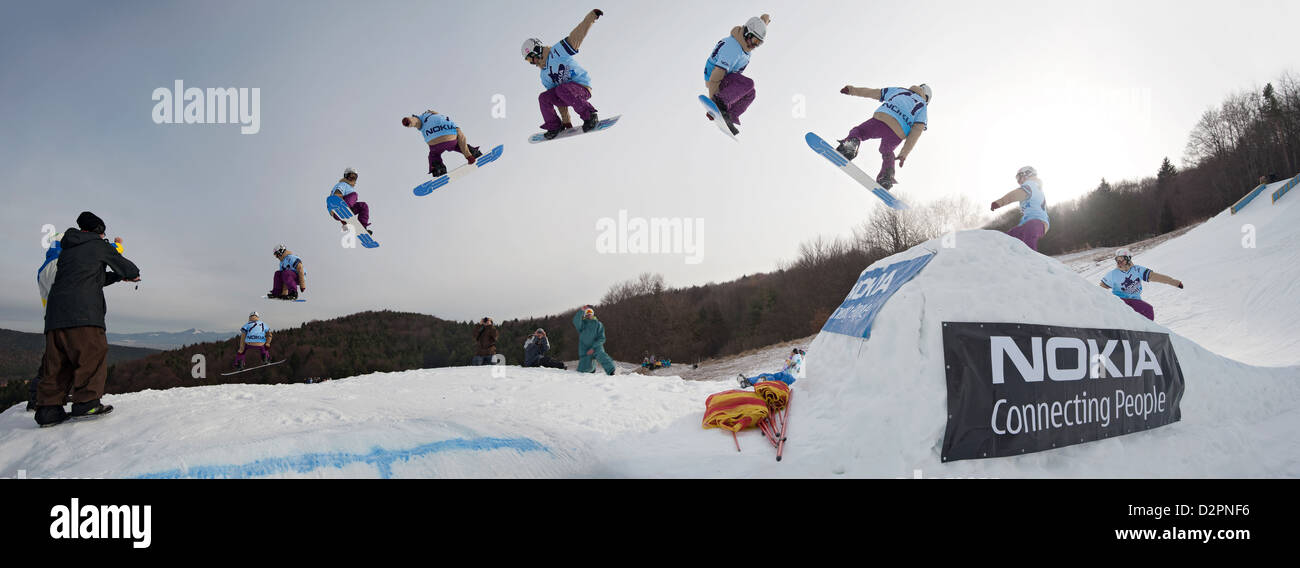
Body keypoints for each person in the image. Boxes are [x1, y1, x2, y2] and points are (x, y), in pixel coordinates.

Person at [34, 212, 140, 427]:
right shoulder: (98, 245)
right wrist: (128, 274)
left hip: (55, 315)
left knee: (57, 362)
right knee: (92, 354)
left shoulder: (68, 250)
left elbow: (92, 278)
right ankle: (86, 404)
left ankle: (48, 410)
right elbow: (130, 268)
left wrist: (117, 277)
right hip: (83, 314)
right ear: (99, 230)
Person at [522, 9, 604, 140]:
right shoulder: (544, 75)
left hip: (581, 87)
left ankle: (590, 114)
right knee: (544, 97)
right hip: (566, 94)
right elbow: (558, 98)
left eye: (530, 58)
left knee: (561, 89)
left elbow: (577, 35)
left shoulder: (557, 51)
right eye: (528, 61)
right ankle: (554, 125)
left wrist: (591, 17)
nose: (531, 63)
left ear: (536, 51)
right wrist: (566, 120)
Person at [835, 83, 932, 190]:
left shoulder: (899, 90)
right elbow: (916, 132)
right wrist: (904, 154)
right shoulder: (923, 107)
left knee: (860, 132)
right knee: (887, 150)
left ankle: (850, 146)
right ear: (926, 99)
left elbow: (874, 92)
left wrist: (852, 90)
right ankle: (887, 176)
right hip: (899, 131)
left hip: (883, 118)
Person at [703, 14, 770, 135]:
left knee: (751, 94)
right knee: (748, 84)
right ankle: (720, 103)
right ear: (746, 33)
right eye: (754, 40)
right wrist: (712, 103)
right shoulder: (733, 48)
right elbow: (716, 75)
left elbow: (757, 26)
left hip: (726, 78)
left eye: (758, 43)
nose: (755, 45)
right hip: (715, 78)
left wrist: (764, 22)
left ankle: (728, 117)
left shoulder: (744, 45)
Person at [1099, 248, 1184, 321]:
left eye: (1122, 259)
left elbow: (1156, 276)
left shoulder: (1137, 270)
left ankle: (1147, 331)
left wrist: (1175, 282)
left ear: (1128, 259)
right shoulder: (1113, 274)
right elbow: (1100, 288)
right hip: (1120, 301)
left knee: (1148, 309)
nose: (1119, 262)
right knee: (1125, 312)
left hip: (1135, 300)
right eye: (1117, 260)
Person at [401, 110, 483, 177]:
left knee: (434, 155)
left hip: (434, 141)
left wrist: (409, 121)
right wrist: (468, 156)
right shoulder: (445, 119)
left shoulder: (423, 117)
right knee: (460, 145)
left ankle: (438, 169)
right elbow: (461, 137)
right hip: (451, 138)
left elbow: (415, 121)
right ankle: (474, 153)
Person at [990, 166, 1050, 251]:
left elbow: (1014, 195)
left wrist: (999, 203)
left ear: (1027, 174)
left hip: (1038, 222)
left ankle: (1030, 258)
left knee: (1029, 231)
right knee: (1010, 236)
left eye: (1019, 177)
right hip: (1027, 224)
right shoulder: (1035, 186)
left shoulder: (1031, 185)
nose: (1019, 181)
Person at [573, 305, 615, 375]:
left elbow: (602, 338)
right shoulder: (582, 324)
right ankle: (591, 369)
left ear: (593, 314)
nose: (589, 315)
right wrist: (581, 310)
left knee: (602, 356)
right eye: (587, 313)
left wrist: (593, 348)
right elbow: (576, 321)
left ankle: (611, 371)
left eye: (590, 313)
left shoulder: (598, 324)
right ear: (585, 315)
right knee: (582, 370)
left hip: (596, 346)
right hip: (585, 349)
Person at [329, 167, 371, 234]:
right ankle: (344, 209)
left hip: (343, 211)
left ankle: (363, 227)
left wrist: (344, 223)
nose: (352, 179)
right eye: (351, 176)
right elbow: (337, 193)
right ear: (346, 176)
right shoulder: (343, 184)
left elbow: (342, 214)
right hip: (336, 208)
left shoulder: (350, 188)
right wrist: (337, 200)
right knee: (354, 195)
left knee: (363, 205)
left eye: (355, 177)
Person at [738, 348, 804, 388]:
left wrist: (798, 355)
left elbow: (799, 362)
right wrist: (790, 359)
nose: (792, 355)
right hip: (784, 375)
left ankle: (764, 382)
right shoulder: (789, 361)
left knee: (775, 380)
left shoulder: (802, 360)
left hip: (792, 379)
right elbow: (785, 368)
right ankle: (748, 381)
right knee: (767, 375)